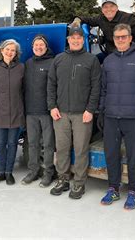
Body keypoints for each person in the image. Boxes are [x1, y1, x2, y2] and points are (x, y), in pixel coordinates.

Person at [97, 23, 135, 210]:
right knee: (112, 154)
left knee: (133, 156)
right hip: (111, 117)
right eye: (117, 37)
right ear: (113, 40)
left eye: (124, 36)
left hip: (133, 117)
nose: (120, 40)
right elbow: (103, 89)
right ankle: (113, 188)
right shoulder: (109, 61)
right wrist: (101, 111)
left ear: (131, 38)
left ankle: (133, 190)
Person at [47, 26, 101, 199]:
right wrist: (52, 106)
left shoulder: (91, 60)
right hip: (60, 113)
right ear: (68, 40)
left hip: (82, 114)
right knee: (62, 148)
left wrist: (90, 110)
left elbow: (96, 87)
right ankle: (63, 179)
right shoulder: (59, 59)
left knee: (80, 149)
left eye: (79, 38)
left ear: (82, 40)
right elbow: (51, 85)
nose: (76, 40)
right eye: (73, 38)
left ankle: (79, 183)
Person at [0, 39, 25, 186]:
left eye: (13, 50)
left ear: (16, 53)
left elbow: (24, 92)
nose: (10, 52)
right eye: (7, 49)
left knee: (13, 143)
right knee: (1, 143)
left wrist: (23, 113)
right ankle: (1, 172)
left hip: (16, 112)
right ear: (1, 51)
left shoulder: (21, 68)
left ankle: (9, 172)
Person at [21, 34, 56, 187]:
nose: (39, 47)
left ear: (46, 47)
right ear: (32, 48)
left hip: (47, 111)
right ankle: (33, 171)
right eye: (36, 45)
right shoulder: (28, 63)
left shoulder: (52, 62)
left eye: (41, 45)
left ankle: (48, 172)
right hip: (31, 112)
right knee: (33, 143)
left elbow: (56, 87)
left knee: (48, 144)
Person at [70, 0, 135, 57]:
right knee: (95, 60)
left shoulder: (127, 18)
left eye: (111, 6)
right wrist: (77, 20)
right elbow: (88, 19)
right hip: (110, 54)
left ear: (117, 8)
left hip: (128, 54)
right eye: (105, 7)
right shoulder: (101, 18)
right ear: (102, 10)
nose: (108, 9)